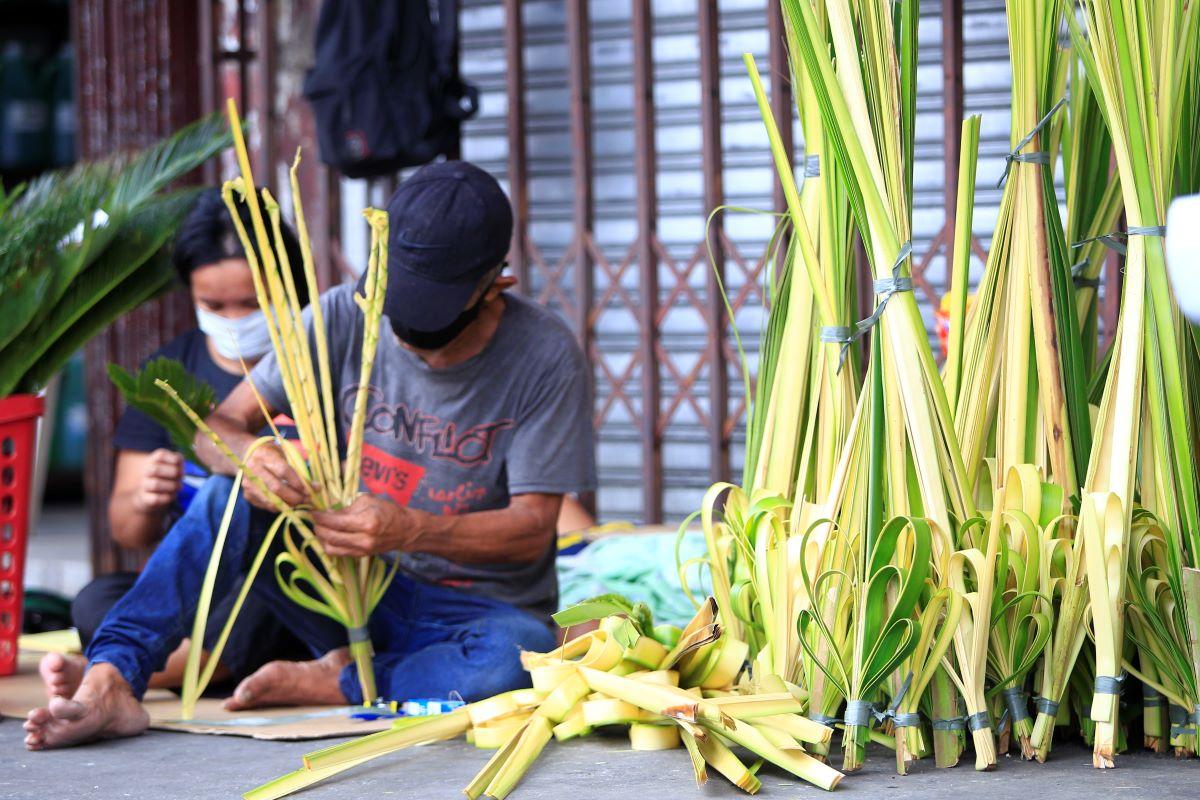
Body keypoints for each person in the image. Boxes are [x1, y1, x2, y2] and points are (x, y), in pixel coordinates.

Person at [26, 160, 596, 750]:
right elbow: (214, 426)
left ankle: (339, 678)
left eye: (430, 319)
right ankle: (114, 679)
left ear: (493, 284)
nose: (400, 337)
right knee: (229, 495)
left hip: (473, 613)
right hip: (341, 579)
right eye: (394, 304)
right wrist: (249, 455)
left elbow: (533, 530)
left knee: (514, 666)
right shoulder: (342, 313)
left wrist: (411, 529)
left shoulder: (544, 355)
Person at [43, 189, 310, 702]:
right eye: (213, 305)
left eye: (252, 305)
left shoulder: (319, 367)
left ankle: (124, 673)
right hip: (193, 596)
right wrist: (146, 497)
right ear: (189, 293)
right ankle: (186, 665)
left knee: (266, 595)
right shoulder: (169, 376)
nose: (233, 319)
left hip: (290, 586)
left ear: (288, 287)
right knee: (99, 599)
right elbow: (128, 528)